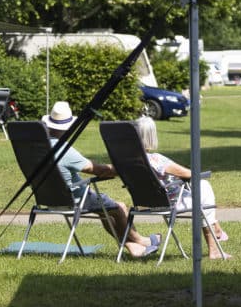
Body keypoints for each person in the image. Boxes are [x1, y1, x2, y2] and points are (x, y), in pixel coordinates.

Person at [43, 101, 158, 259]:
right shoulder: (64, 150)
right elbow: (99, 170)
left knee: (109, 210)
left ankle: (132, 246)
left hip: (49, 199)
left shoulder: (41, 148)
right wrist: (127, 168)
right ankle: (141, 241)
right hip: (75, 199)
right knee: (117, 208)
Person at [135, 114, 231, 259]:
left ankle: (216, 229)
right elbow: (190, 174)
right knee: (203, 186)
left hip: (145, 203)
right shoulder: (157, 159)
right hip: (170, 203)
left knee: (201, 192)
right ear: (151, 136)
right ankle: (214, 248)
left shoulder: (127, 161)